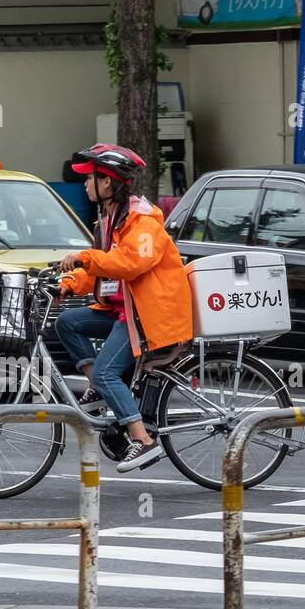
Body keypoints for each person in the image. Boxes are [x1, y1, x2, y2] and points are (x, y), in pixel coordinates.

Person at [54, 143, 193, 472]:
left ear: (106, 183)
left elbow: (129, 264)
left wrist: (85, 257)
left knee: (106, 370)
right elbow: (104, 271)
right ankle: (98, 389)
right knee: (68, 323)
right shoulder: (110, 220)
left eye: (90, 178)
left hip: (151, 312)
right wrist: (70, 283)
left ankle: (143, 441)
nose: (85, 184)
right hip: (124, 311)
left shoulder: (143, 223)